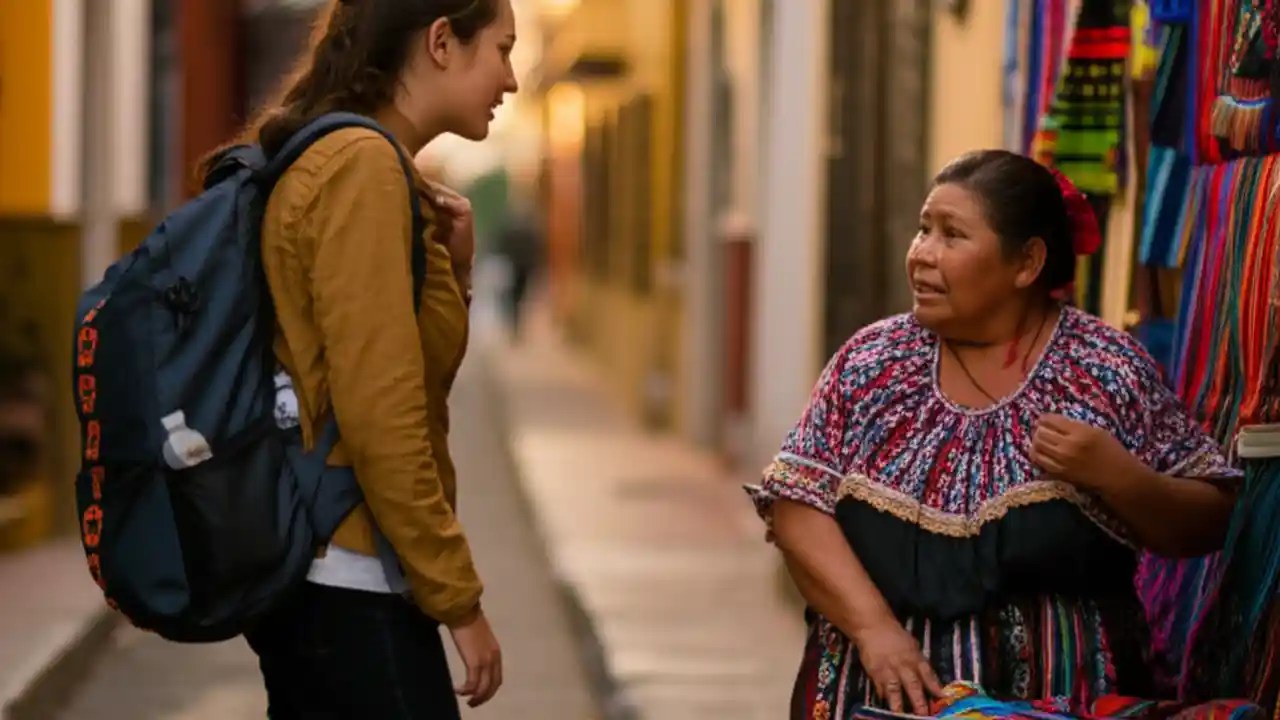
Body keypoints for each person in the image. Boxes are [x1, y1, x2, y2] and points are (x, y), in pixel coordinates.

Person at [748, 150, 1242, 719]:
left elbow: (1209, 519)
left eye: (953, 235)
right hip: (872, 697)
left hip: (1063, 699)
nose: (922, 255)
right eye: (923, 229)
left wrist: (1118, 476)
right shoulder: (871, 362)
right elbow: (797, 503)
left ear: (1027, 262)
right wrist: (875, 630)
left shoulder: (1104, 369)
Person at [238, 0, 518, 717]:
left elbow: (407, 383)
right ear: (441, 42)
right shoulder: (361, 169)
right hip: (350, 586)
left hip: (343, 581)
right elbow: (382, 419)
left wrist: (449, 272)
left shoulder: (373, 169)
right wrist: (459, 601)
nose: (512, 79)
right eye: (501, 49)